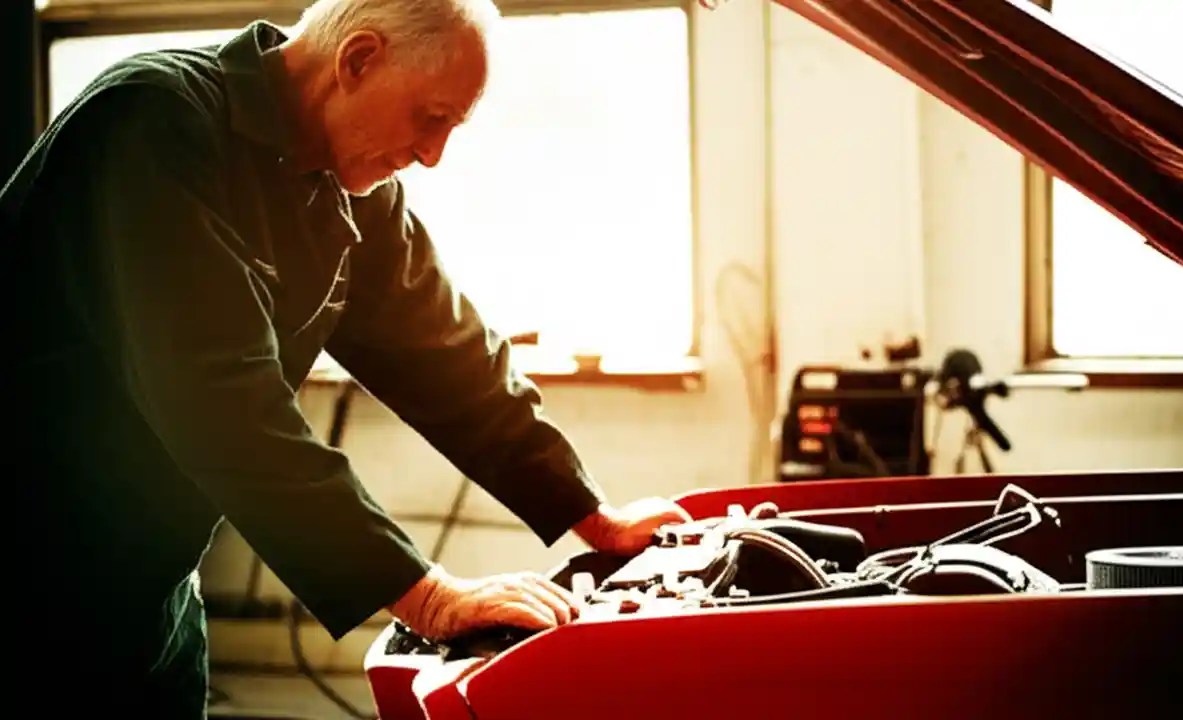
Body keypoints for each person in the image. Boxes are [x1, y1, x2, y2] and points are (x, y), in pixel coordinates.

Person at [2, 0, 691, 715]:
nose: (432, 155)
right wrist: (425, 596)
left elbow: (449, 356)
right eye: (431, 117)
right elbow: (222, 405)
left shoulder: (349, 182)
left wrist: (590, 514)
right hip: (25, 578)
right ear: (357, 59)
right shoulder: (151, 126)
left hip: (148, 593)